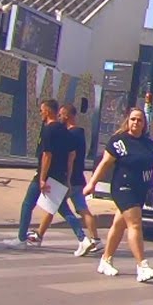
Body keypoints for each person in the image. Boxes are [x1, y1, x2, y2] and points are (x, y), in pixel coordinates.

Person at [84, 108, 153, 282]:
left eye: (139, 120)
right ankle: (142, 266)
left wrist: (151, 186)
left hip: (140, 189)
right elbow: (104, 164)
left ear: (144, 124)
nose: (136, 122)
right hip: (123, 188)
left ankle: (105, 260)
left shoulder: (147, 143)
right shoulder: (119, 141)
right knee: (135, 225)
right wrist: (92, 183)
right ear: (128, 121)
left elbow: (150, 166)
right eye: (133, 119)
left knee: (119, 225)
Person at [5, 100, 79, 248]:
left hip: (45, 176)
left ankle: (21, 239)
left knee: (27, 204)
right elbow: (72, 155)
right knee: (63, 208)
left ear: (48, 111)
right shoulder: (65, 130)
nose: (40, 113)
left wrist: (42, 179)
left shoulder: (48, 130)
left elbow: (47, 155)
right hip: (59, 176)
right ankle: (83, 238)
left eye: (41, 110)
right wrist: (68, 178)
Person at [34, 104, 101, 256]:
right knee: (73, 208)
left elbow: (71, 157)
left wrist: (68, 179)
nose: (59, 118)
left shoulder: (72, 134)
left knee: (58, 207)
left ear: (67, 116)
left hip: (70, 178)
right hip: (77, 177)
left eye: (61, 115)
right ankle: (95, 239)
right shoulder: (79, 133)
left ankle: (83, 238)